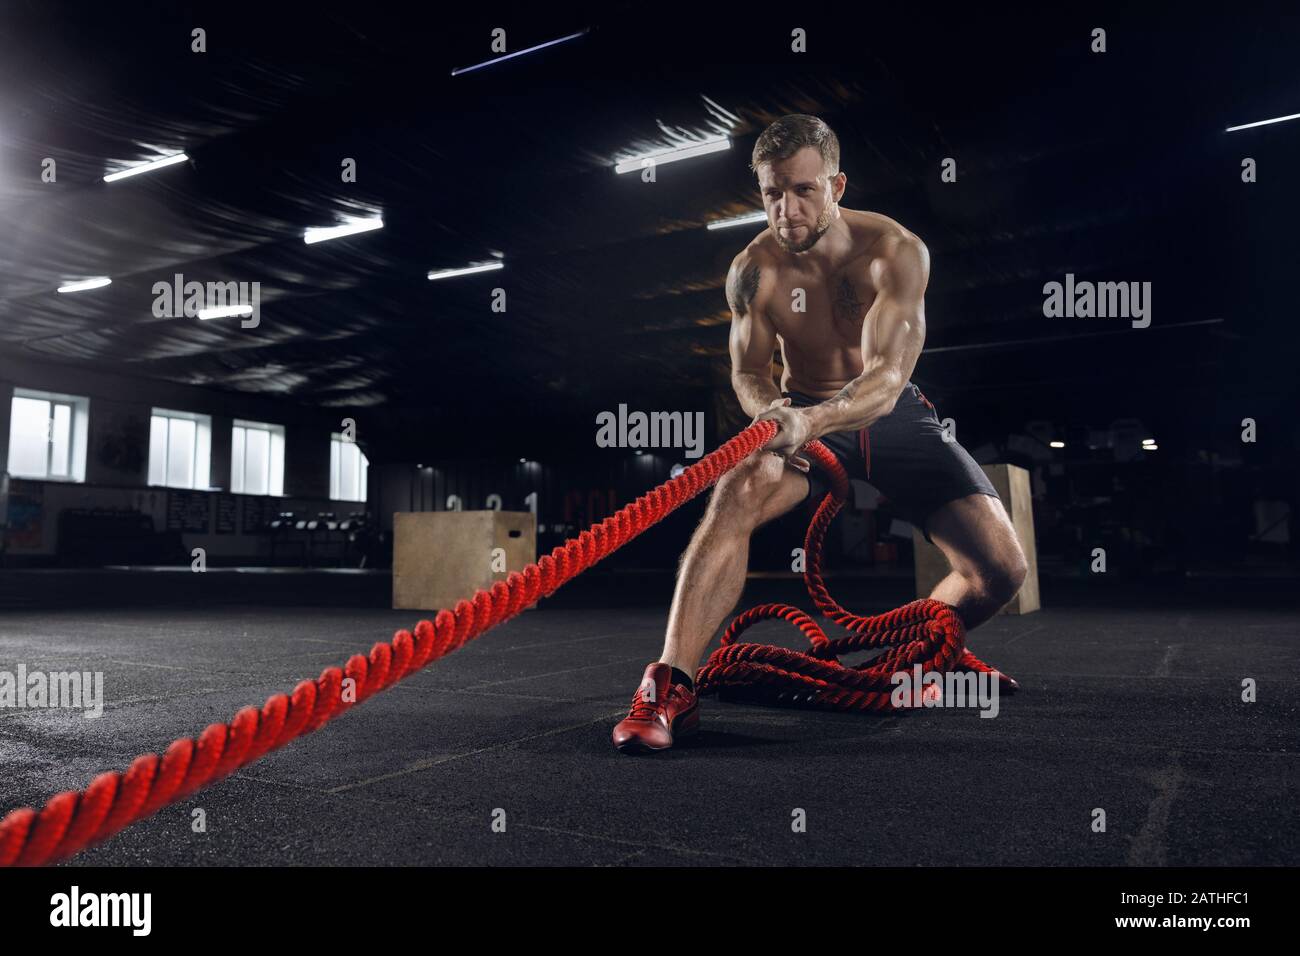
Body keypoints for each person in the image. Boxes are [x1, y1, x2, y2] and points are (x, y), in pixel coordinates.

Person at [612, 114, 1028, 753]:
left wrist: (814, 419)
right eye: (773, 193)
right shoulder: (752, 270)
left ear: (837, 184)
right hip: (799, 414)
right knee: (734, 494)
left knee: (1001, 571)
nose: (787, 209)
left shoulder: (895, 251)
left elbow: (887, 379)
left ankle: (920, 658)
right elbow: (748, 372)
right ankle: (670, 686)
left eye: (804, 190)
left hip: (891, 415)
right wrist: (774, 414)